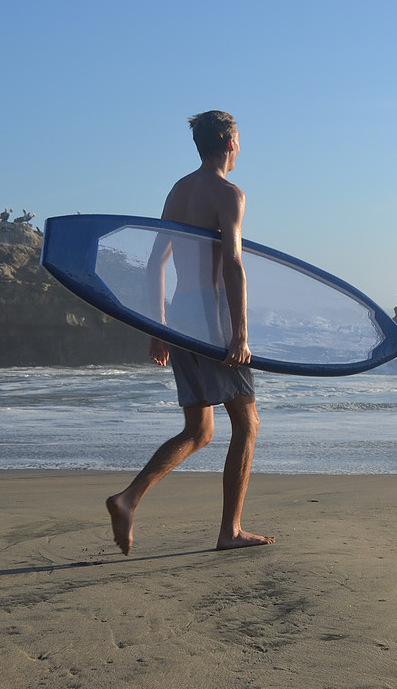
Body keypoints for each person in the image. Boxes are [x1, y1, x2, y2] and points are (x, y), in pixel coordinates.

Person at [106, 110, 273, 555]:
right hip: (212, 313)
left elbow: (154, 264)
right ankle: (230, 530)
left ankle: (128, 499)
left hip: (180, 313)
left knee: (199, 431)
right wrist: (239, 334)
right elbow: (233, 264)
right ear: (231, 142)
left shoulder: (178, 192)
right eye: (240, 139)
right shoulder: (229, 194)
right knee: (248, 423)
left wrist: (158, 326)